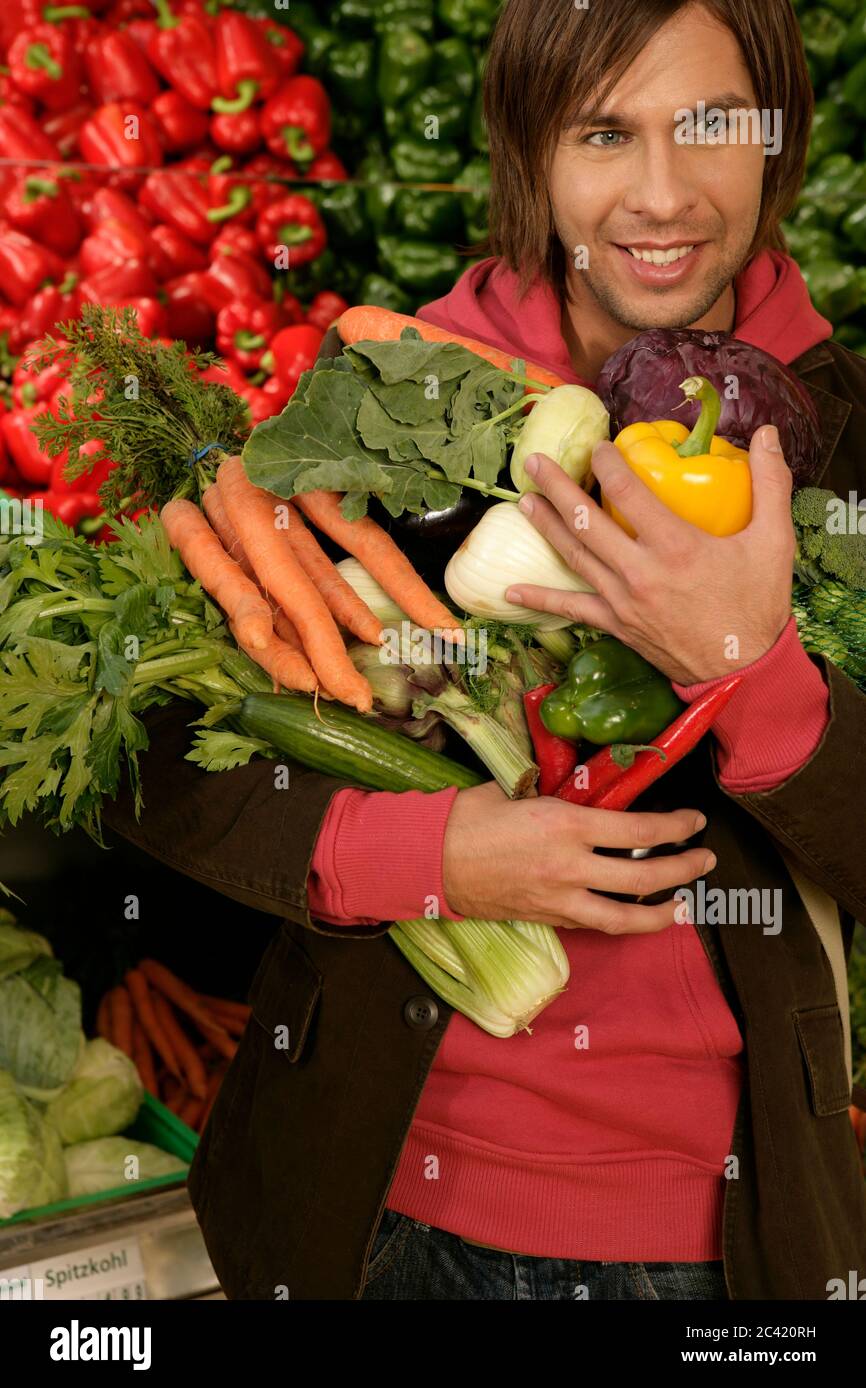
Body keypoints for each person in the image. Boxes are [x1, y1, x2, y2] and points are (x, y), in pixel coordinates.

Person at [103, 0, 866, 1301]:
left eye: (709, 130)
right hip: (376, 1208)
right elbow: (153, 761)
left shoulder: (840, 439)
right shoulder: (385, 396)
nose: (661, 193)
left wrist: (750, 666)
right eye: (601, 134)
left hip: (725, 1246)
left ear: (776, 144)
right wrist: (428, 854)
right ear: (526, 151)